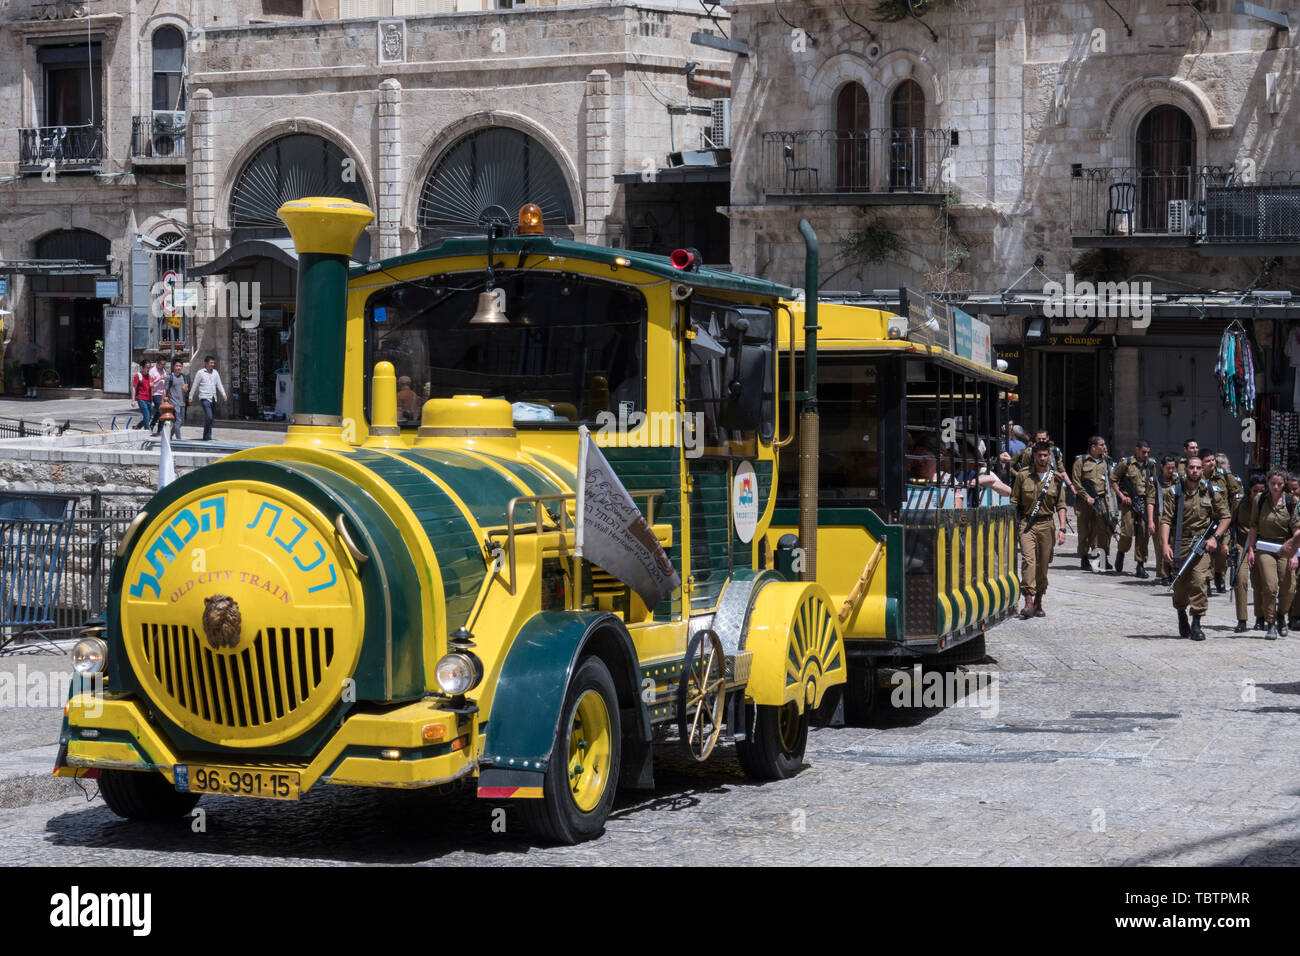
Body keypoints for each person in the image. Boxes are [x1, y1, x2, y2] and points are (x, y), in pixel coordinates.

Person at [1161, 456, 1231, 641]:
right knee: (1180, 584)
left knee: (1199, 581)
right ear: (1185, 469)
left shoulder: (1210, 491)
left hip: (1202, 542)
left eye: (1198, 468)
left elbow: (1226, 517)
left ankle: (1197, 623)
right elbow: (1166, 520)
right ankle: (1181, 614)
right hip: (1180, 543)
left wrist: (1215, 538)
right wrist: (1164, 545)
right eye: (1191, 467)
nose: (1195, 471)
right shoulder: (1175, 492)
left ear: (1202, 471)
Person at [1012, 441, 1068, 619]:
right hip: (1027, 524)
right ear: (1034, 457)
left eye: (1045, 455)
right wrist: (1011, 525)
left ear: (1049, 457)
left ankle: (1038, 601)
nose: (1042, 459)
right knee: (1028, 560)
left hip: (1046, 525)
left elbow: (1061, 505)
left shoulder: (1056, 479)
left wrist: (1062, 528)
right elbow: (1014, 501)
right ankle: (1028, 600)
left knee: (1042, 564)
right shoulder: (1023, 476)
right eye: (1039, 455)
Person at [1245, 468, 1300, 640]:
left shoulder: (1292, 501)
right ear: (1268, 483)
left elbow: (1297, 530)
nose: (1276, 487)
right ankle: (1270, 623)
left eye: (1279, 484)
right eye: (1273, 483)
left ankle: (1281, 615)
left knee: (1289, 588)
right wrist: (1251, 550)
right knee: (1270, 586)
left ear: (1284, 485)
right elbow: (1253, 526)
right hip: (1265, 547)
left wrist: (1293, 554)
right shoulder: (1260, 500)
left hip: (1286, 546)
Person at [1111, 440, 1154, 577]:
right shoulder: (1126, 463)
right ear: (1137, 450)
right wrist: (1122, 496)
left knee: (1143, 533)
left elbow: (1152, 484)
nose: (1146, 455)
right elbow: (1113, 480)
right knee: (1127, 532)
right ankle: (1121, 552)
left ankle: (1140, 565)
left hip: (1143, 502)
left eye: (1148, 452)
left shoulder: (1151, 465)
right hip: (1129, 503)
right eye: (1143, 452)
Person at [1202, 449, 1243, 593]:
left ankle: (1219, 575)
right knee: (1204, 551)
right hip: (1204, 522)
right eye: (1208, 461)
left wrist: (1232, 514)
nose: (1211, 463)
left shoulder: (1224, 476)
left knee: (1221, 552)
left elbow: (1238, 495)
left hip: (1222, 520)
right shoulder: (1196, 477)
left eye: (1212, 460)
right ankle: (1206, 581)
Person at [1072, 436, 1114, 572]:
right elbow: (1077, 483)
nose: (1104, 447)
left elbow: (1110, 482)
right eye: (1101, 445)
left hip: (1100, 501)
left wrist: (1110, 502)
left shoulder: (1106, 462)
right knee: (1084, 531)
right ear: (1093, 447)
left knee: (1100, 531)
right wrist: (1087, 497)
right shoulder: (1081, 461)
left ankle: (1099, 561)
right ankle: (1084, 558)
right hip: (1085, 503)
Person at [1232, 472, 1266, 633]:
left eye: (1261, 491)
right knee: (1241, 579)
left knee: (1260, 582)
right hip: (1242, 545)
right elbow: (1230, 523)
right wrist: (1228, 545)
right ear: (1249, 491)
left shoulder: (1269, 506)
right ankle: (1242, 619)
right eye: (1255, 491)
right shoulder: (1240, 503)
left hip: (1261, 547)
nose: (1258, 495)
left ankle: (1260, 618)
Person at [1148, 455, 1178, 585]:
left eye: (1172, 468)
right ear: (1162, 467)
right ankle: (1164, 574)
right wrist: (1150, 521)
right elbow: (1150, 501)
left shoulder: (1178, 480)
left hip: (1174, 517)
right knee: (1162, 546)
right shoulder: (1154, 481)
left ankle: (1173, 572)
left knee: (1174, 544)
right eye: (1168, 468)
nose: (1170, 471)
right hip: (1160, 517)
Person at [189, 355, 228, 441]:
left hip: (213, 397)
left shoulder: (215, 373)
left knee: (210, 419)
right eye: (211, 363)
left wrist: (224, 394)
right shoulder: (200, 373)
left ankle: (207, 436)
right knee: (209, 417)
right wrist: (190, 396)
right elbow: (195, 385)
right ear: (206, 363)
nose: (212, 364)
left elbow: (219, 384)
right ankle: (207, 437)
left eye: (213, 363)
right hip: (204, 397)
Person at [165, 360, 189, 439]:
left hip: (182, 403)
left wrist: (186, 389)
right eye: (177, 366)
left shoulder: (184, 377)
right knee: (178, 421)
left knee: (181, 422)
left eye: (180, 366)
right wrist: (163, 402)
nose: (178, 368)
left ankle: (169, 435)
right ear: (173, 367)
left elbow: (186, 388)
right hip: (174, 403)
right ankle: (179, 439)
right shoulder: (170, 377)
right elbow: (165, 390)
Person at [131, 359, 153, 430]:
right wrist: (133, 400)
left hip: (149, 399)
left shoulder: (149, 376)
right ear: (142, 367)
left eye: (149, 367)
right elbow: (134, 388)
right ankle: (147, 432)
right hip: (141, 398)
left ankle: (137, 427)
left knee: (149, 417)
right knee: (146, 416)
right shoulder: (138, 376)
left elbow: (150, 386)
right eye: (147, 367)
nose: (148, 369)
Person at [148, 357, 168, 436]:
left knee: (162, 411)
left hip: (162, 392)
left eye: (164, 364)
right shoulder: (152, 371)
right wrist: (159, 378)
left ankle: (160, 430)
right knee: (160, 410)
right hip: (155, 393)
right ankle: (153, 423)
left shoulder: (163, 370)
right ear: (157, 363)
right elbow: (150, 384)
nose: (163, 366)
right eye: (161, 364)